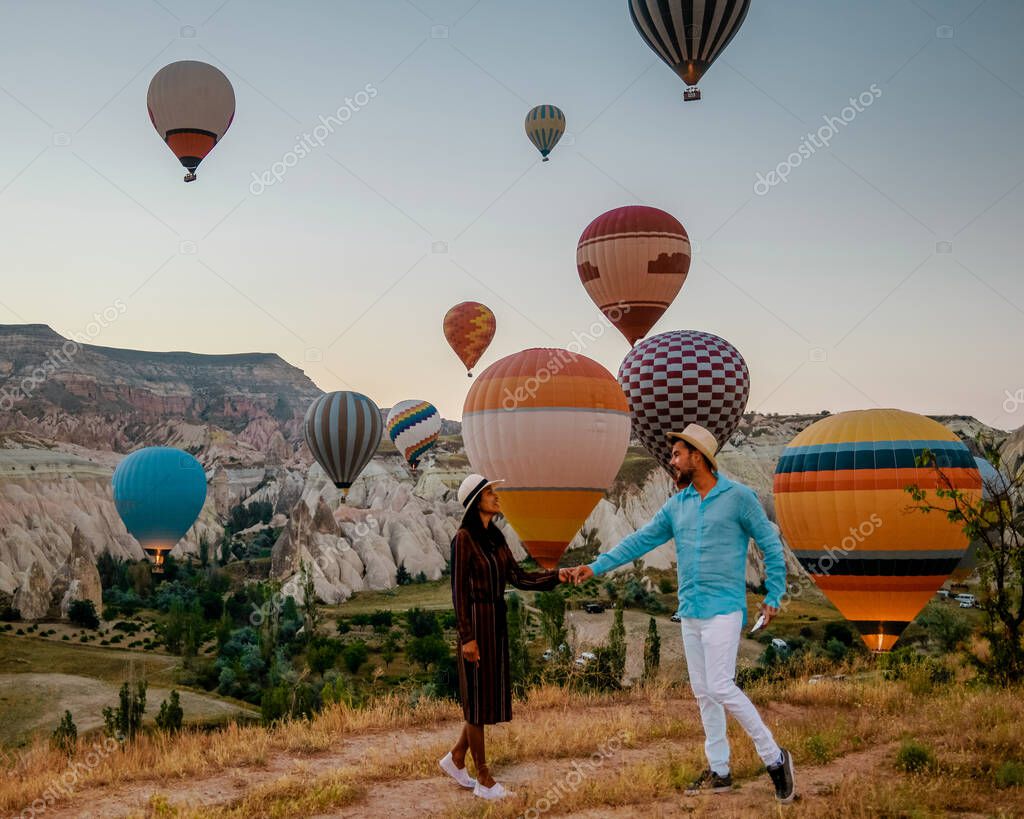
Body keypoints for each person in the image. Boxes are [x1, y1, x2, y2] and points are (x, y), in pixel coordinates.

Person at [566, 424, 796, 804]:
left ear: (698, 457)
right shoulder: (677, 505)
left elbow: (770, 543)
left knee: (721, 686)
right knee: (704, 692)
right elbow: (639, 540)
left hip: (724, 608)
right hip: (690, 610)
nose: (671, 461)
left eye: (676, 454)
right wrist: (595, 566)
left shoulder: (739, 498)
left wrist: (774, 594)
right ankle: (719, 770)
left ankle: (775, 758)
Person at [439, 473, 571, 801]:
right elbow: (458, 592)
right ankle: (483, 777)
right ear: (475, 503)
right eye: (489, 493)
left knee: (484, 697)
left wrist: (557, 576)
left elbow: (519, 577)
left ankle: (457, 757)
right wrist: (466, 637)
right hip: (476, 624)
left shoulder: (495, 537)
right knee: (478, 703)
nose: (496, 496)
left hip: (496, 620)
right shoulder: (463, 539)